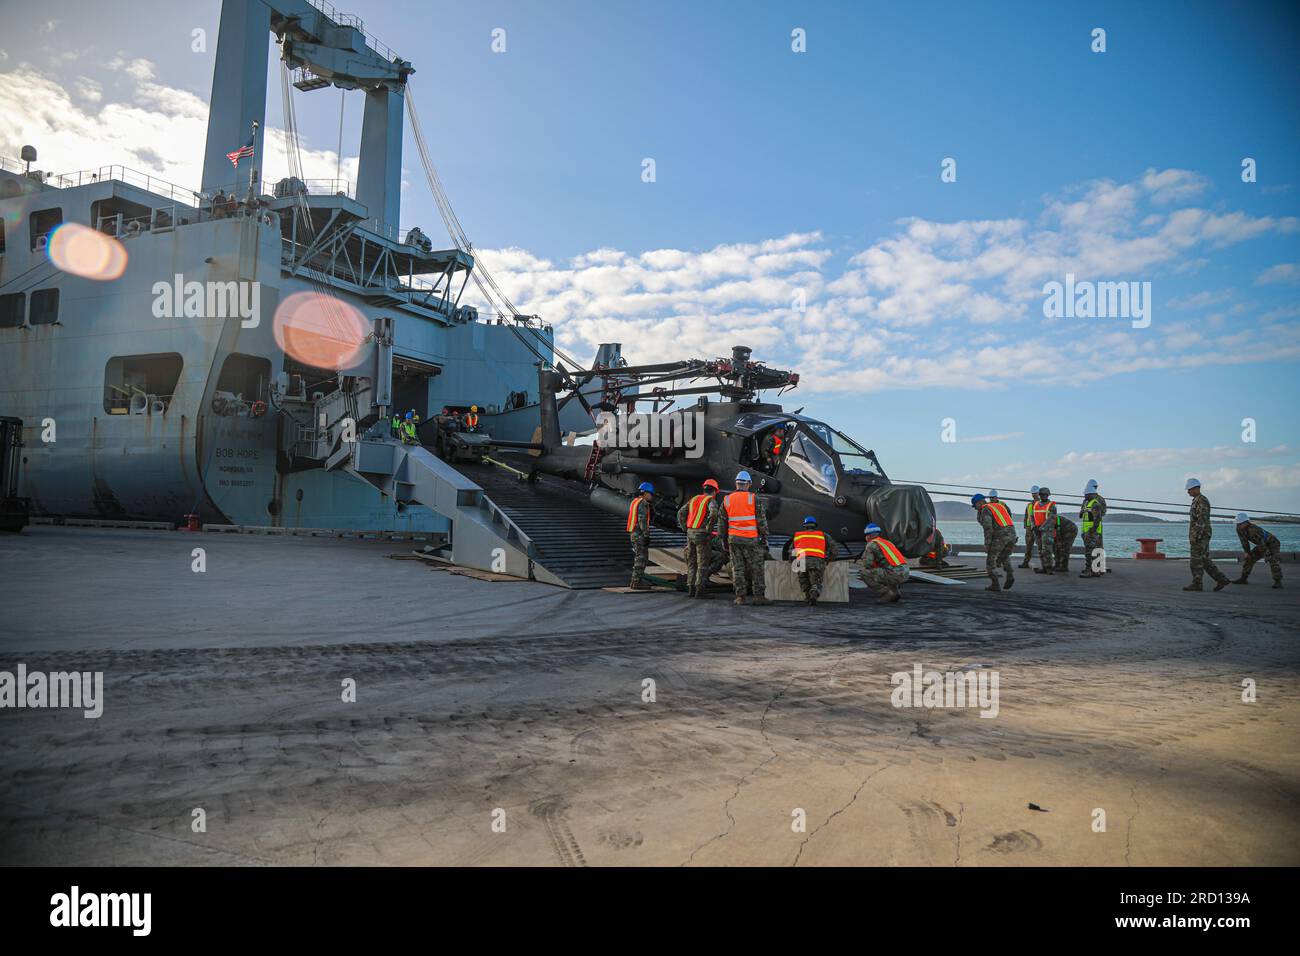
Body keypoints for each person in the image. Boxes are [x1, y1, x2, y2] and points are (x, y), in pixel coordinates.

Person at [719, 470, 771, 606]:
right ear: (748, 484)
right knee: (757, 567)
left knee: (738, 568)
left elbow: (722, 522)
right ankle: (758, 596)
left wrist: (723, 539)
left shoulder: (727, 499)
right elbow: (761, 520)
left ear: (736, 484)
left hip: (734, 540)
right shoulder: (753, 498)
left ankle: (740, 597)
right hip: (751, 539)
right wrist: (764, 536)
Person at [677, 478, 721, 598]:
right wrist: (709, 529)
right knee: (702, 563)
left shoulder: (694, 498)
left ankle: (691, 589)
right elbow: (714, 513)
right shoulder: (710, 500)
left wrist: (685, 527)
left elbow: (680, 512)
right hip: (702, 535)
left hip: (690, 533)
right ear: (715, 491)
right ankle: (700, 590)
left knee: (692, 562)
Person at [1184, 478, 1230, 592]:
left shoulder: (1202, 501)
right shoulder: (1197, 500)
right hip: (1200, 534)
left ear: (1196, 488)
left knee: (1195, 560)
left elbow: (1202, 520)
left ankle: (1197, 583)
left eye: (1189, 489)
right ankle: (1221, 579)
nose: (1188, 492)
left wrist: (1196, 536)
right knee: (1204, 559)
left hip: (1200, 535)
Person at [971, 493, 1016, 591]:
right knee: (1004, 556)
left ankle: (995, 584)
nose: (975, 509)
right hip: (1012, 534)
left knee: (990, 561)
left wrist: (987, 544)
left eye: (975, 506)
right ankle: (1010, 575)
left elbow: (988, 528)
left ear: (979, 502)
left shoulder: (985, 509)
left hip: (1001, 536)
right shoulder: (998, 505)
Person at [782, 516, 831, 605]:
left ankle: (808, 597)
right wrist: (828, 558)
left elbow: (791, 550)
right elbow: (833, 548)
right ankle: (814, 593)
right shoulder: (823, 535)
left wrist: (792, 561)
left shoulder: (798, 535)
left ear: (804, 526)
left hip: (801, 560)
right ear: (815, 526)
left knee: (804, 580)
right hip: (816, 560)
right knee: (816, 581)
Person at [859, 523, 909, 604]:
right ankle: (896, 593)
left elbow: (867, 564)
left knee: (864, 573)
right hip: (905, 572)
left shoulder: (871, 544)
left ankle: (887, 592)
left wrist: (863, 559)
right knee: (886, 570)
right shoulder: (887, 542)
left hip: (894, 573)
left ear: (869, 536)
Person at [1233, 512, 1283, 588]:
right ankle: (1243, 579)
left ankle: (1278, 582)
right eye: (1237, 523)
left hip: (1272, 543)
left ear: (1246, 522)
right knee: (1249, 559)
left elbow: (1261, 544)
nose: (1238, 525)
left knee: (1273, 561)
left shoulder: (1253, 530)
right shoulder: (1239, 529)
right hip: (1261, 544)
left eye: (1240, 523)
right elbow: (1244, 541)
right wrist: (1247, 552)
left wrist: (1267, 555)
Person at [626, 482, 655, 590]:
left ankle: (637, 581)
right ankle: (636, 582)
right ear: (645, 493)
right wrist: (646, 535)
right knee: (641, 558)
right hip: (639, 534)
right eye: (651, 494)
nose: (651, 496)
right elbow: (642, 520)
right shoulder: (643, 503)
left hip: (634, 533)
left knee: (642, 557)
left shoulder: (635, 501)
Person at [1079, 479, 1107, 578]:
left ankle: (1097, 568)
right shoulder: (1086, 501)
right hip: (1087, 529)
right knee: (1093, 549)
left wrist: (1093, 528)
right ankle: (1095, 569)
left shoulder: (1098, 500)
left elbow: (1101, 514)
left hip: (1094, 528)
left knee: (1096, 549)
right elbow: (1082, 513)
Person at [1031, 486, 1058, 574]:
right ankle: (1044, 567)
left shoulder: (1051, 506)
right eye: (1041, 494)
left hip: (1047, 531)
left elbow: (1051, 519)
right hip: (1037, 530)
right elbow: (1032, 516)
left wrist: (1041, 528)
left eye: (1044, 494)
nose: (1042, 496)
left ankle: (1049, 567)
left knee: (1047, 550)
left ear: (1048, 495)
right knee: (1040, 550)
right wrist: (1033, 526)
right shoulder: (1035, 504)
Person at [1019, 485, 1040, 568]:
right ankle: (1025, 562)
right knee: (1028, 546)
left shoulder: (1042, 504)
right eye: (1033, 493)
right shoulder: (1029, 505)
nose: (1034, 495)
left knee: (1041, 547)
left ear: (1039, 493)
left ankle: (1045, 565)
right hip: (1029, 528)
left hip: (1038, 528)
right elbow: (1026, 516)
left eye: (1035, 493)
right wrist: (1025, 525)